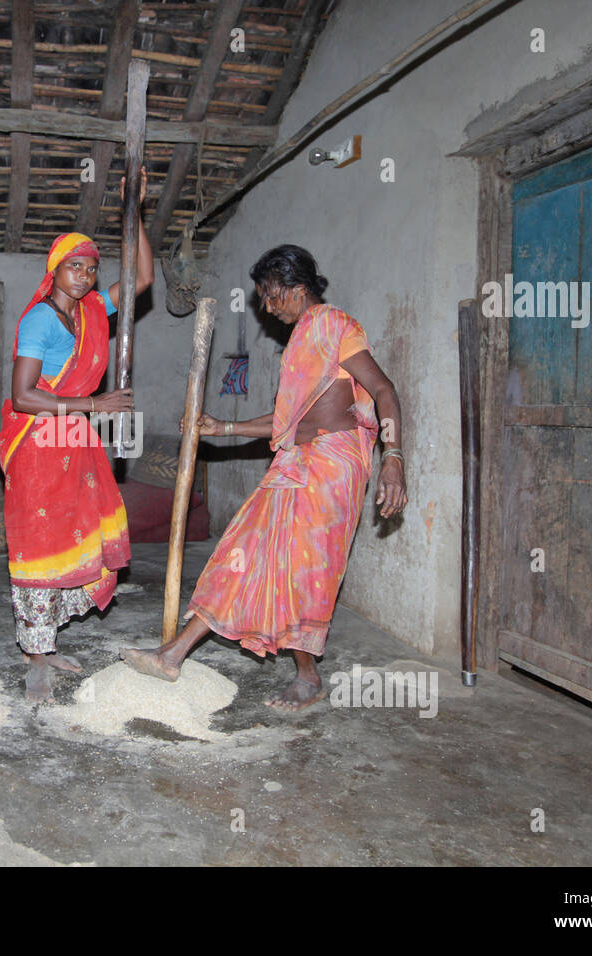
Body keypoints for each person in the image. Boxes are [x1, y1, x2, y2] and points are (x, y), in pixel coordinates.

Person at [121, 244, 407, 710]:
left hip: (333, 468)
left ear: (295, 288)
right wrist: (223, 428)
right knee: (242, 550)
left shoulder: (336, 326)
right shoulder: (297, 342)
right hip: (294, 463)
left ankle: (307, 676)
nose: (268, 308)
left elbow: (383, 389)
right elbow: (286, 421)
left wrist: (393, 455)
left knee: (304, 572)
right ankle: (172, 654)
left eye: (271, 296)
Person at [0, 176, 153, 702]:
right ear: (54, 270)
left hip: (74, 439)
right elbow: (22, 395)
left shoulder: (90, 313)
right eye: (74, 266)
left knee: (74, 533)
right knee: (40, 541)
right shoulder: (41, 319)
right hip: (39, 442)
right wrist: (94, 405)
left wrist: (136, 211)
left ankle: (45, 642)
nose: (84, 277)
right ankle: (34, 650)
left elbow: (144, 277)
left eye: (91, 268)